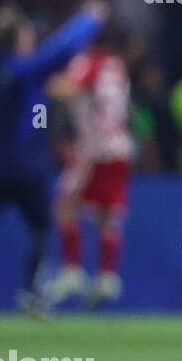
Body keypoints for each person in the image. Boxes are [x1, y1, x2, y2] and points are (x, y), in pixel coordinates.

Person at [0, 0, 108, 314]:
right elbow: (59, 52)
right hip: (26, 166)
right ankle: (31, 292)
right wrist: (90, 19)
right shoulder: (26, 69)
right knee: (42, 230)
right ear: (18, 39)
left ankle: (32, 292)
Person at [47, 26, 135, 306]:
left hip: (94, 150)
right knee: (106, 215)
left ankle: (72, 270)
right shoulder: (117, 67)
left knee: (65, 204)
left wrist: (41, 77)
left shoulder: (89, 64)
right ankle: (108, 277)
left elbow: (68, 88)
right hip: (119, 147)